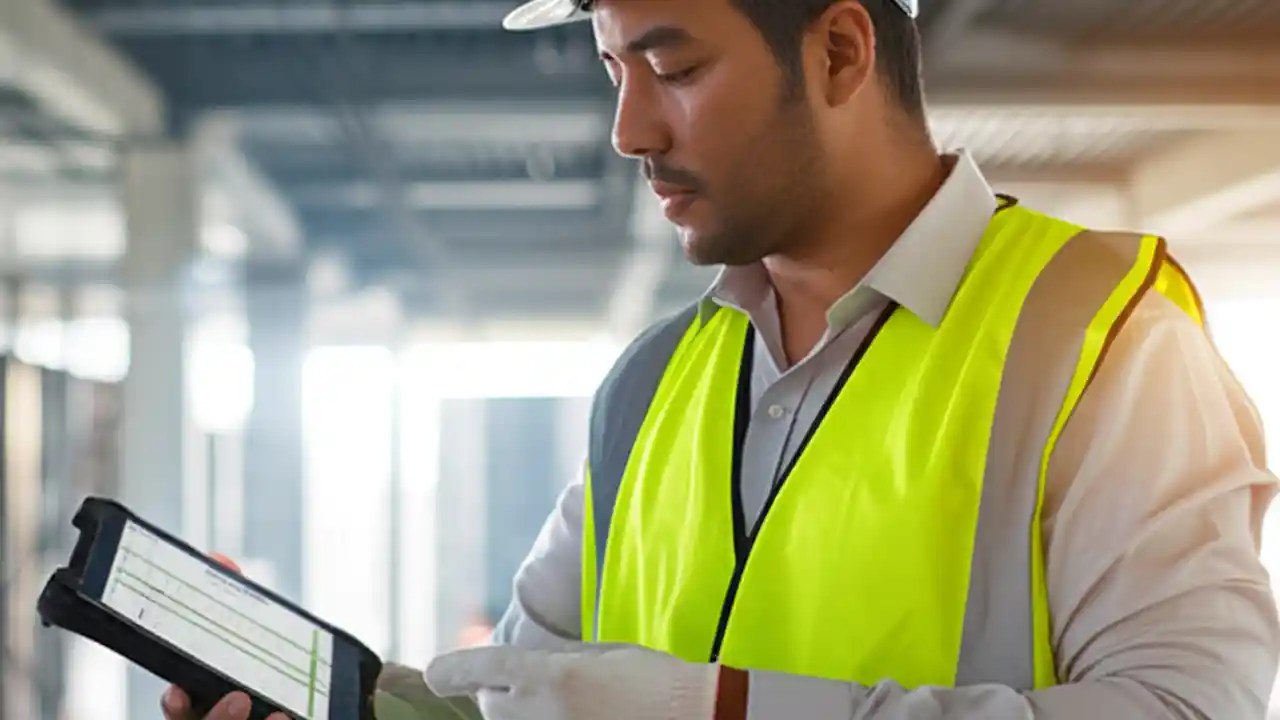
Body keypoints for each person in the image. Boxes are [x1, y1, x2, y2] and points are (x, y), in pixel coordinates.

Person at [163, 0, 1280, 718]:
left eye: (673, 67)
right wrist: (338, 708)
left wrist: (731, 710)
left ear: (838, 51)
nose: (628, 130)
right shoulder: (652, 382)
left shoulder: (1097, 339)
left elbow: (1185, 711)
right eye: (612, 72)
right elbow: (522, 699)